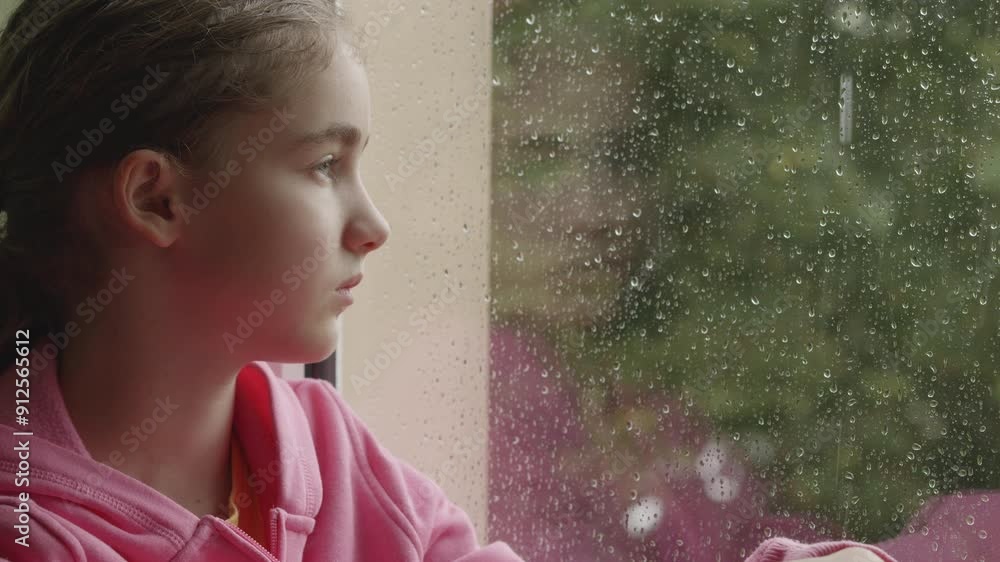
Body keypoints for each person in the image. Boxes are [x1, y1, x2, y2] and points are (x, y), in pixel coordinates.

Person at [0, 1, 895, 561]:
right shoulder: (33, 532)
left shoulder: (328, 450)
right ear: (158, 198)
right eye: (324, 166)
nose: (374, 224)